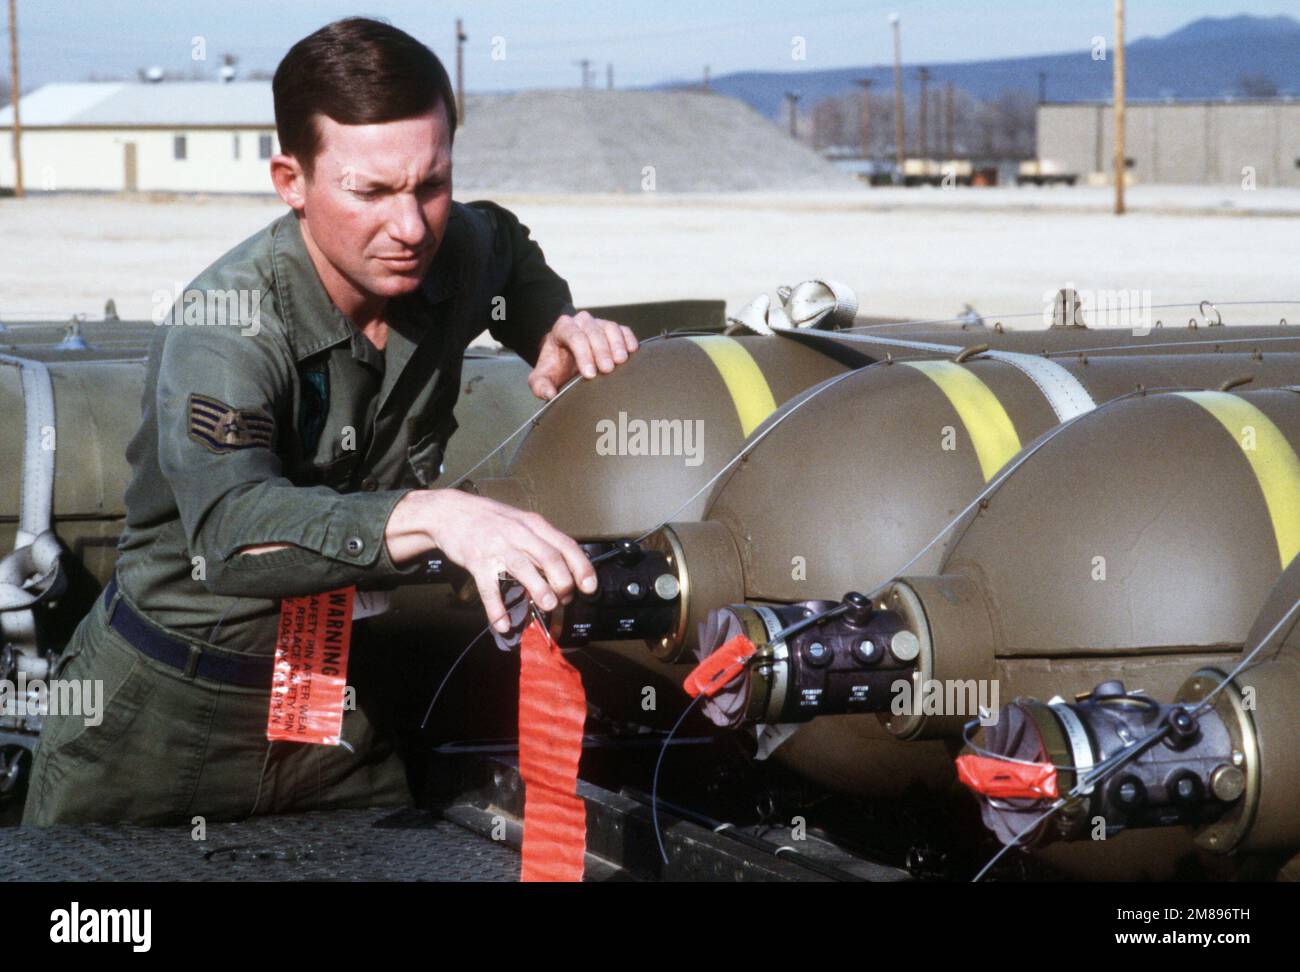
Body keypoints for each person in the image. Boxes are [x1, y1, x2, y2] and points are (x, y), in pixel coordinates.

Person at [23, 17, 637, 826]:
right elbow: (236, 534)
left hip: (334, 710)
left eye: (431, 184)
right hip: (160, 721)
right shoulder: (227, 324)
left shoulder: (451, 247)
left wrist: (550, 324)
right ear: (290, 180)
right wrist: (433, 513)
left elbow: (507, 247)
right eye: (371, 193)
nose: (411, 226)